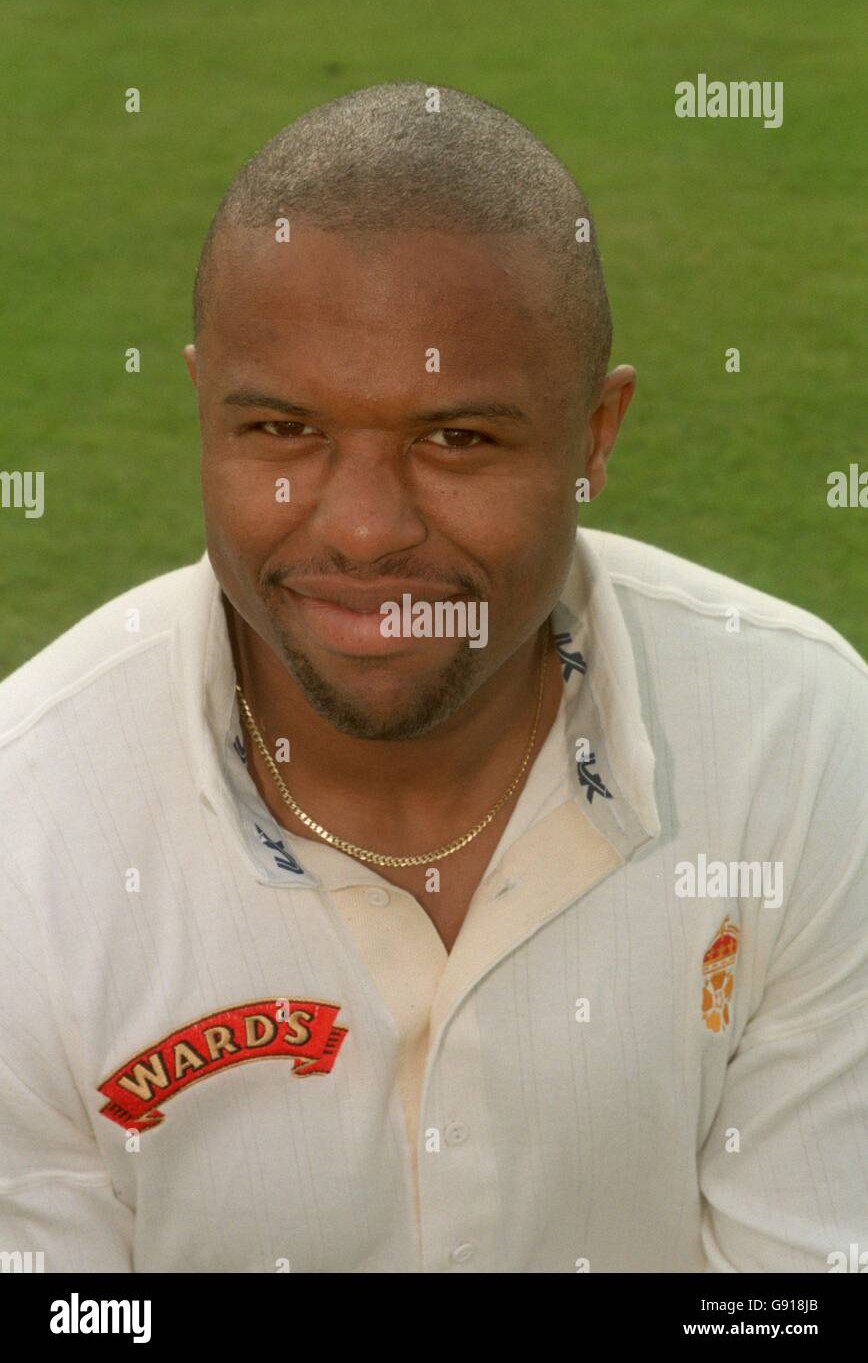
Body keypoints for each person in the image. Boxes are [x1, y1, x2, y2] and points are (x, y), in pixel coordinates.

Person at [0, 82, 865, 1274]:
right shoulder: (28, 823)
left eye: (455, 438)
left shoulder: (804, 743)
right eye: (282, 431)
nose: (361, 531)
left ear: (593, 436)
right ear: (205, 409)